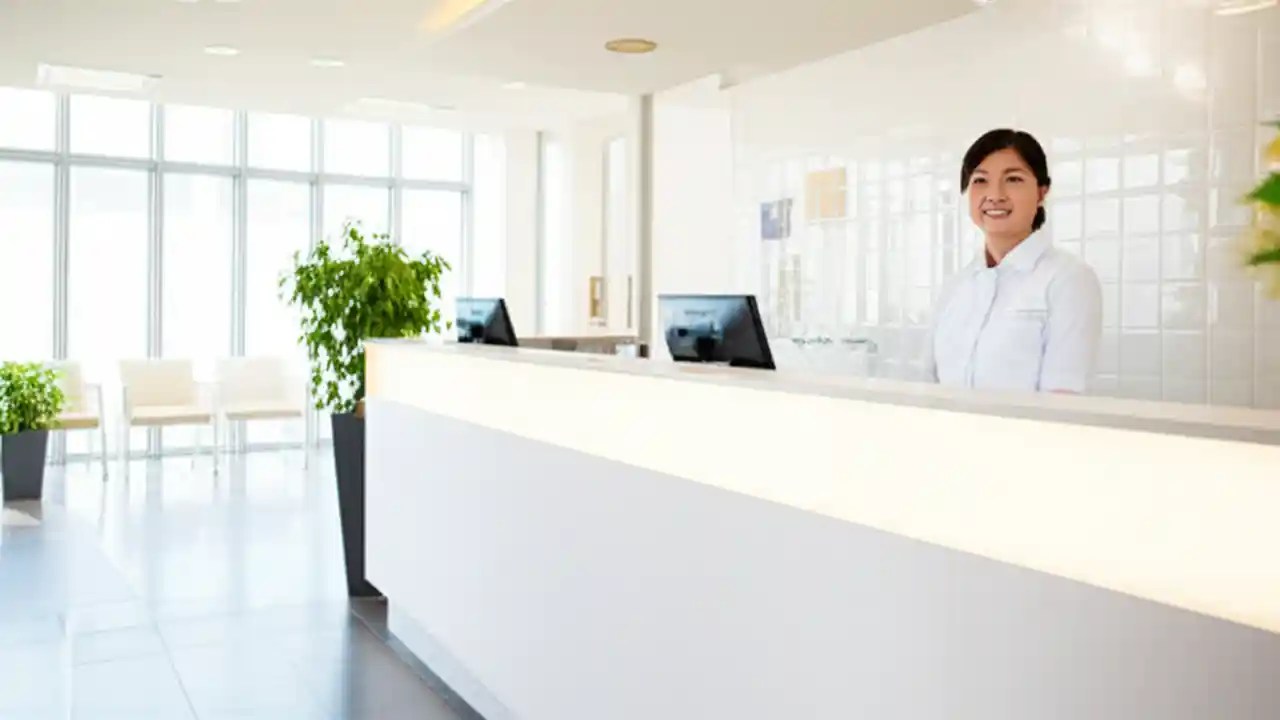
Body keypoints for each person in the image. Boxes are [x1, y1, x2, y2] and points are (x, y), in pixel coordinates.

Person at [927, 129, 1102, 394]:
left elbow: (1064, 397)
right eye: (980, 180)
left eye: (1013, 179)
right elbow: (929, 383)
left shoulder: (1069, 279)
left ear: (1042, 192)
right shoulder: (955, 286)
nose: (995, 195)